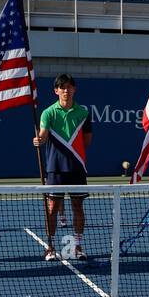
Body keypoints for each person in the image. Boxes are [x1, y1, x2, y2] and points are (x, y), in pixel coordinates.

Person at [33, 73, 92, 261]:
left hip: (76, 168)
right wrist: (39, 140)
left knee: (77, 207)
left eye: (69, 87)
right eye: (62, 87)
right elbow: (43, 134)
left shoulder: (83, 113)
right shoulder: (48, 113)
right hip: (55, 168)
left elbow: (87, 140)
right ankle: (50, 247)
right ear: (56, 91)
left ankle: (77, 246)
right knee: (52, 208)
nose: (66, 90)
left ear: (74, 89)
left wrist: (74, 152)